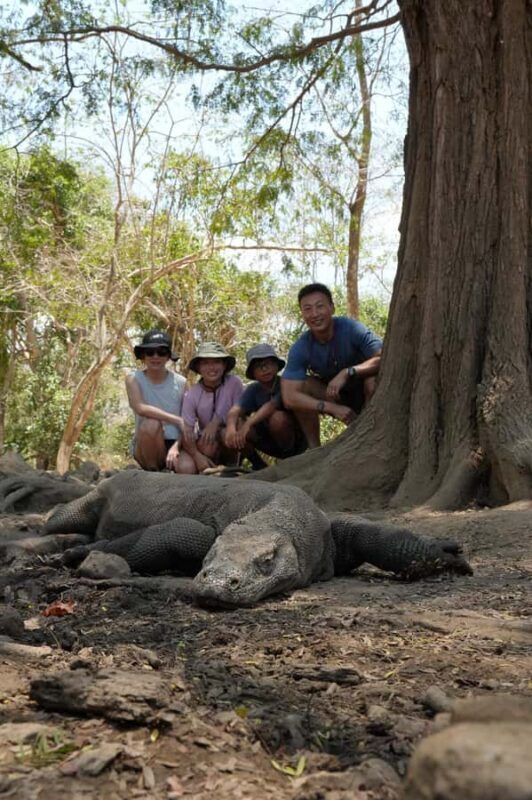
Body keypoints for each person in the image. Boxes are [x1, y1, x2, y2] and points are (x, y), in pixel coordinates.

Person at [281, 283, 382, 448]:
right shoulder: (302, 346)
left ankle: (373, 436)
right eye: (307, 309)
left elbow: (384, 357)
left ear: (332, 308)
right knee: (304, 385)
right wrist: (331, 407)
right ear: (302, 314)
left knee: (373, 380)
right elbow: (289, 396)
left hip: (367, 394)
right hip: (336, 397)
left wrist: (348, 372)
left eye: (320, 306)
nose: (314, 314)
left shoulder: (351, 328)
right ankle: (315, 450)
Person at [226, 343, 307, 467]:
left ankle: (290, 460)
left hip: (296, 440)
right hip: (269, 440)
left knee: (277, 418)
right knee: (238, 424)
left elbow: (272, 405)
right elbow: (234, 411)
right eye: (259, 367)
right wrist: (231, 430)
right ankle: (258, 465)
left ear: (276, 365)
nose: (264, 369)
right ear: (253, 373)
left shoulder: (285, 383)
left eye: (268, 364)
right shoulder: (253, 389)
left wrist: (249, 423)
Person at [126, 329, 186, 471]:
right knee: (151, 424)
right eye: (150, 352)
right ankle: (152, 473)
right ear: (143, 356)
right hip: (146, 442)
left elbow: (188, 420)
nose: (155, 356)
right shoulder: (133, 379)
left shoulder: (181, 382)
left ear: (168, 356)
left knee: (187, 467)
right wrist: (177, 420)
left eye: (161, 352)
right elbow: (140, 407)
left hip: (175, 444)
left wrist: (177, 445)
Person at [179, 342, 244, 474]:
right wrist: (197, 456)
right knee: (206, 445)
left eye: (216, 362)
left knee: (231, 430)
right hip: (209, 442)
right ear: (198, 367)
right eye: (205, 363)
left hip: (230, 434)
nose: (211, 368)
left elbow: (242, 411)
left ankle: (233, 466)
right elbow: (187, 431)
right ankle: (211, 469)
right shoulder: (192, 395)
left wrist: (217, 421)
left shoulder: (234, 383)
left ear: (224, 365)